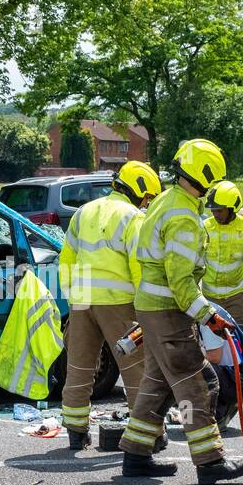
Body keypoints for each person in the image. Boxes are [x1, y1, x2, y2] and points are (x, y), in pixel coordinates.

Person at [119, 139, 243, 485]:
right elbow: (181, 283)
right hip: (168, 311)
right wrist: (208, 315)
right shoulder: (184, 217)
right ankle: (210, 462)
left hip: (151, 307)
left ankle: (135, 455)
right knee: (197, 384)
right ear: (207, 175)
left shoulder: (166, 200)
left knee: (156, 383)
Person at [58, 160, 161, 450]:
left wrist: (71, 295)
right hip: (118, 304)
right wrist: (147, 308)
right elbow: (139, 266)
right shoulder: (133, 217)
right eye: (148, 197)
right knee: (136, 370)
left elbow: (65, 258)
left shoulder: (84, 212)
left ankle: (76, 432)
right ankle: (149, 432)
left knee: (78, 366)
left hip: (81, 302)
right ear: (139, 190)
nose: (147, 203)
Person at [201, 181, 243, 337]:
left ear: (232, 208)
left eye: (219, 211)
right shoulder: (203, 228)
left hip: (237, 297)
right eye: (213, 211)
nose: (215, 214)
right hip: (209, 298)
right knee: (213, 345)